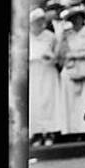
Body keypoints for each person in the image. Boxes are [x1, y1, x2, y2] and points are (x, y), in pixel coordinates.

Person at [54, 4, 85, 138]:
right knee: (70, 100)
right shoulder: (67, 35)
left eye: (78, 18)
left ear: (82, 18)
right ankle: (73, 131)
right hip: (71, 69)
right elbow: (59, 55)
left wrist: (77, 55)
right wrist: (61, 38)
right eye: (73, 18)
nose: (76, 21)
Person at [28, 9, 63, 145]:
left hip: (48, 71)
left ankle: (50, 133)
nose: (40, 24)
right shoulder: (25, 37)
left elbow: (57, 56)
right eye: (37, 21)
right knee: (34, 102)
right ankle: (36, 133)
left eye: (42, 20)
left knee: (50, 101)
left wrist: (51, 57)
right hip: (33, 72)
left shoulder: (50, 36)